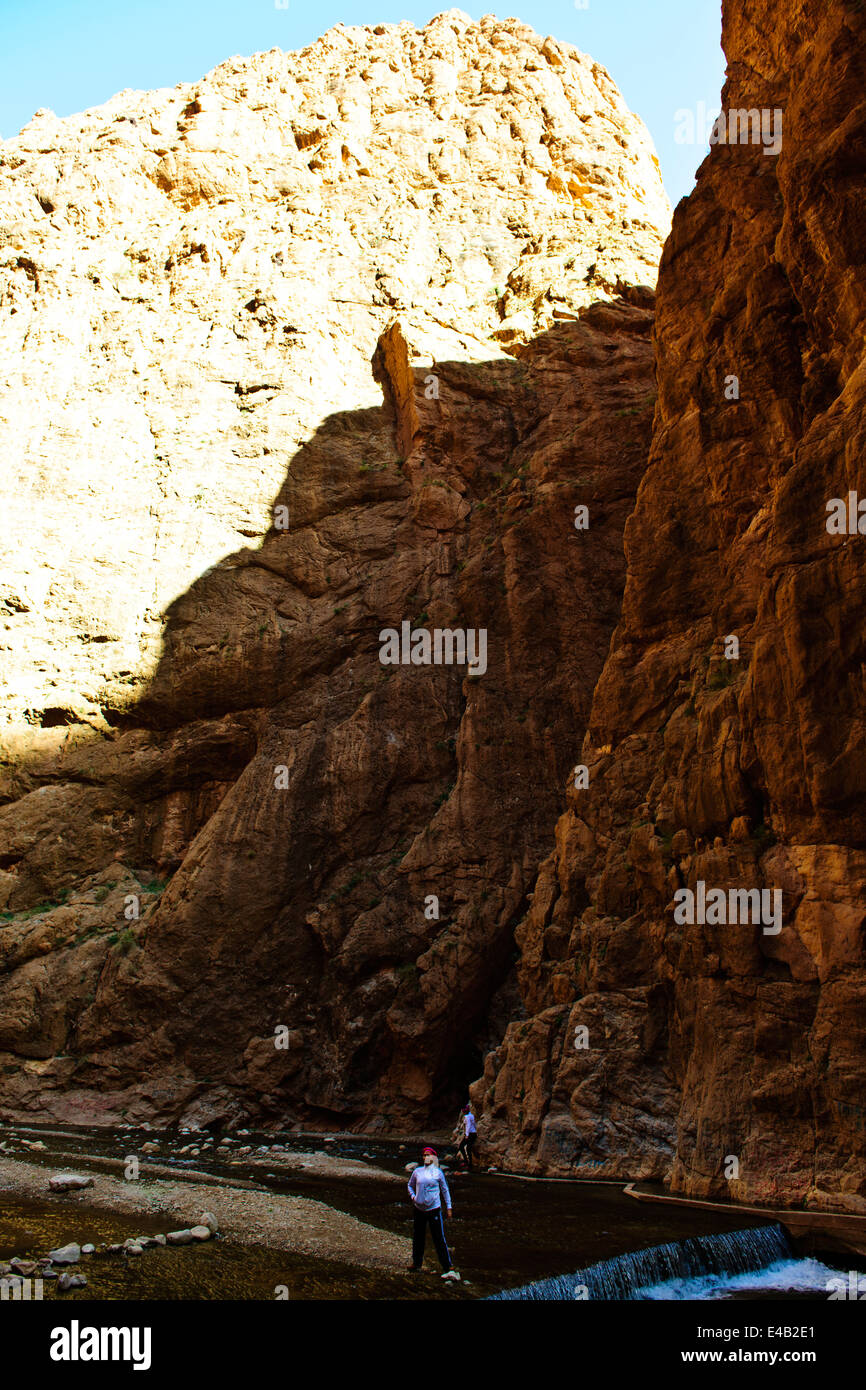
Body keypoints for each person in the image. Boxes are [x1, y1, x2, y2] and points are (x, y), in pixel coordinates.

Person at [407, 1146, 459, 1280]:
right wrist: (413, 1197)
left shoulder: (438, 1173)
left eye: (428, 1155)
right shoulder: (417, 1171)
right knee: (418, 1237)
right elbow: (410, 1185)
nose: (425, 1157)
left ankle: (447, 1266)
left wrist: (449, 1207)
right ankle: (416, 1263)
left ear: (434, 1157)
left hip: (434, 1209)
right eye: (424, 1155)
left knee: (439, 1238)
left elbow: (445, 1190)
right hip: (419, 1209)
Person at [457, 1104, 477, 1170]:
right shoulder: (472, 1116)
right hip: (474, 1133)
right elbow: (474, 1124)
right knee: (468, 1148)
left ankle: (467, 1162)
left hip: (470, 1134)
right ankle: (469, 1163)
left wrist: (467, 1135)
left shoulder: (467, 1117)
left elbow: (468, 1126)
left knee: (461, 1146)